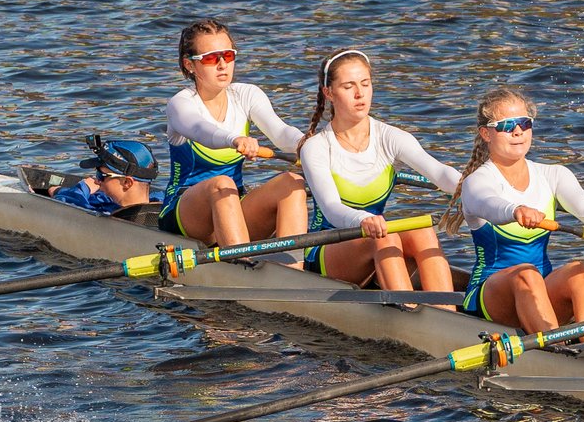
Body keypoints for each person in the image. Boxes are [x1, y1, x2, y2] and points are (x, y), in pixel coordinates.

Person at [450, 87, 584, 333]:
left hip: (540, 291)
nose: (518, 131)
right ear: (486, 133)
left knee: (583, 273)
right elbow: (488, 203)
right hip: (490, 297)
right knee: (526, 274)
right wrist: (516, 210)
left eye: (525, 123)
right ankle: (555, 352)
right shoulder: (477, 182)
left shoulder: (553, 174)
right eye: (506, 125)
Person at [297, 48, 463, 294]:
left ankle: (444, 312)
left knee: (423, 231)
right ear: (328, 93)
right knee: (384, 236)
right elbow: (332, 209)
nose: (359, 93)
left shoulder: (391, 137)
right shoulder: (316, 147)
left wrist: (471, 190)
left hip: (376, 236)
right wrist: (362, 220)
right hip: (327, 247)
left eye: (365, 83)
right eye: (348, 86)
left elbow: (439, 173)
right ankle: (406, 311)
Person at [159, 21, 307, 246]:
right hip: (184, 211)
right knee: (223, 183)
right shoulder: (180, 104)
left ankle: (292, 270)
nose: (222, 64)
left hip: (234, 204)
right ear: (189, 65)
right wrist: (234, 139)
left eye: (228, 55)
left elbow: (280, 132)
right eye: (210, 58)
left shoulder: (247, 94)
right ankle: (241, 262)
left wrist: (307, 144)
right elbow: (201, 130)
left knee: (292, 182)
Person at [50, 135, 159, 220]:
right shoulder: (162, 204)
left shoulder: (105, 215)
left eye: (101, 176)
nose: (97, 181)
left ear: (127, 182)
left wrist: (84, 187)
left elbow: (63, 203)